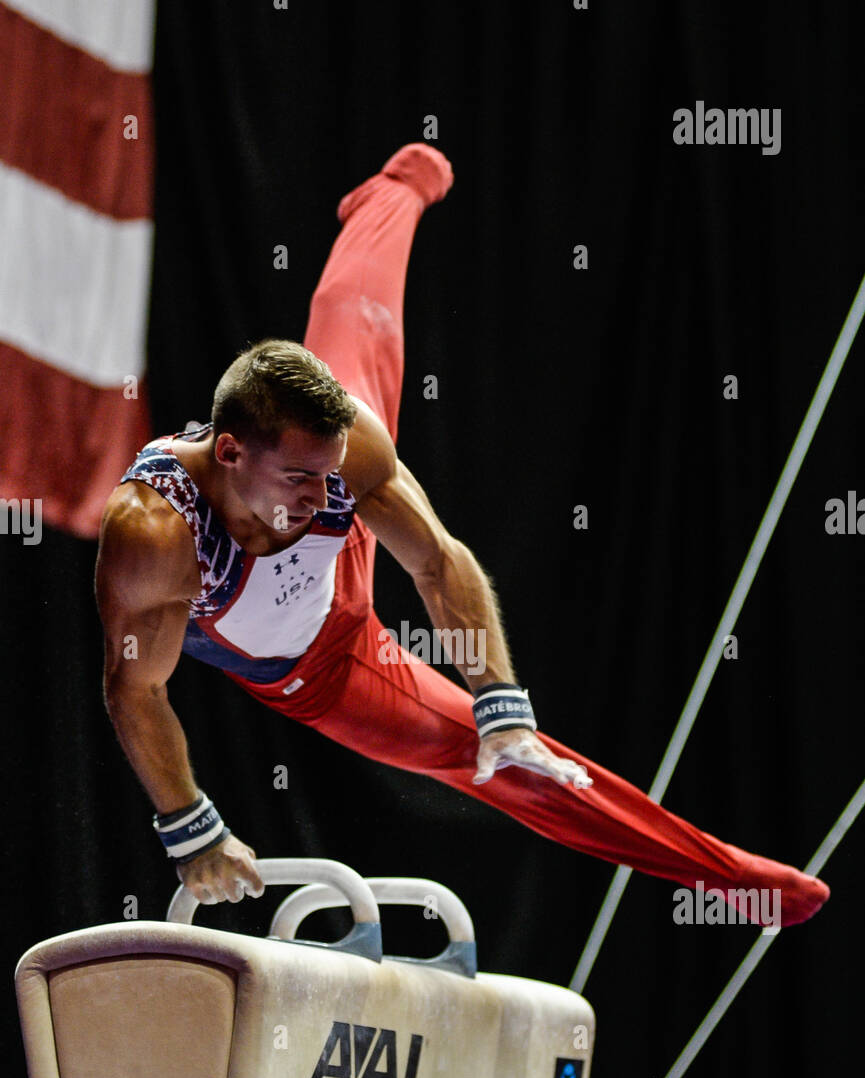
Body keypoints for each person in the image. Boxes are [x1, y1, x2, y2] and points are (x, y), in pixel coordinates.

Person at [95, 143, 828, 928]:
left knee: (358, 326)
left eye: (328, 472)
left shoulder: (344, 455)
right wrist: (189, 827)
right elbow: (135, 687)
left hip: (331, 587)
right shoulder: (154, 532)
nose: (321, 496)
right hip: (320, 667)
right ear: (229, 451)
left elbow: (440, 563)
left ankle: (391, 193)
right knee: (510, 778)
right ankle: (737, 884)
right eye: (299, 480)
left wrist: (500, 702)